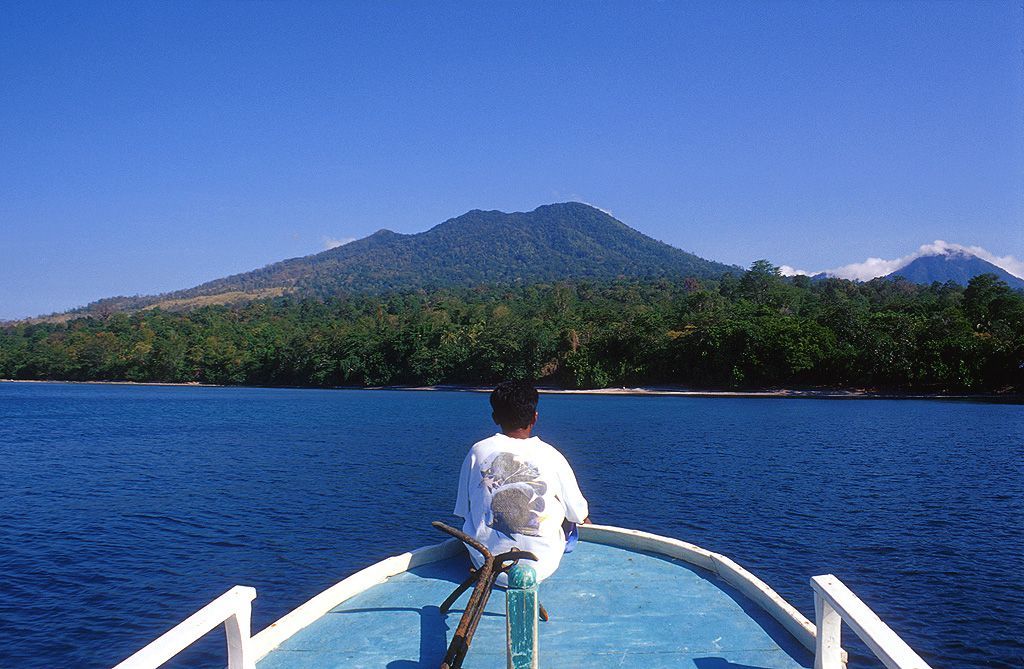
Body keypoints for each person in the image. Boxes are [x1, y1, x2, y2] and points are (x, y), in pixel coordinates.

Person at [454, 380, 590, 585]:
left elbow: (464, 511)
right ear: (534, 418)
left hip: (487, 564)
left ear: (495, 418)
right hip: (539, 567)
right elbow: (578, 515)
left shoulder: (477, 451)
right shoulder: (552, 455)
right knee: (570, 514)